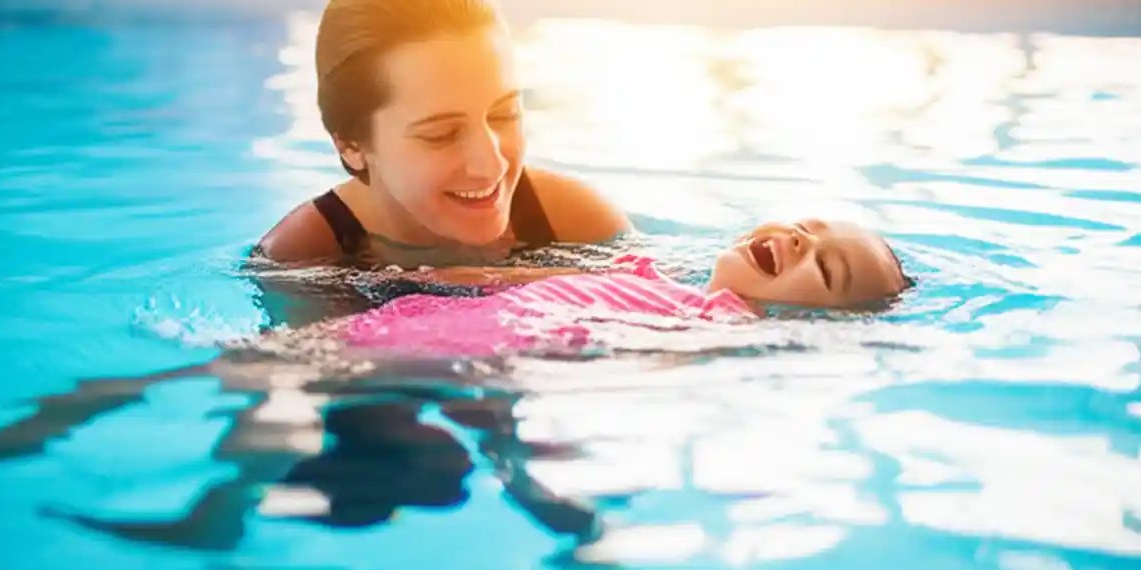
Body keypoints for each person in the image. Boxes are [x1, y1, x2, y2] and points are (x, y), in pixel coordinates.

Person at [255, 0, 631, 268]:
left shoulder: (574, 222)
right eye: (442, 134)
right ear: (352, 144)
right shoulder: (302, 254)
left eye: (503, 115)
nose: (491, 165)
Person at [328, 218, 912, 356]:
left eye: (826, 269)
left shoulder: (720, 328)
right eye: (805, 227)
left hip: (458, 350)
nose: (797, 240)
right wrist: (409, 279)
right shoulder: (648, 278)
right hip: (417, 321)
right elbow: (503, 280)